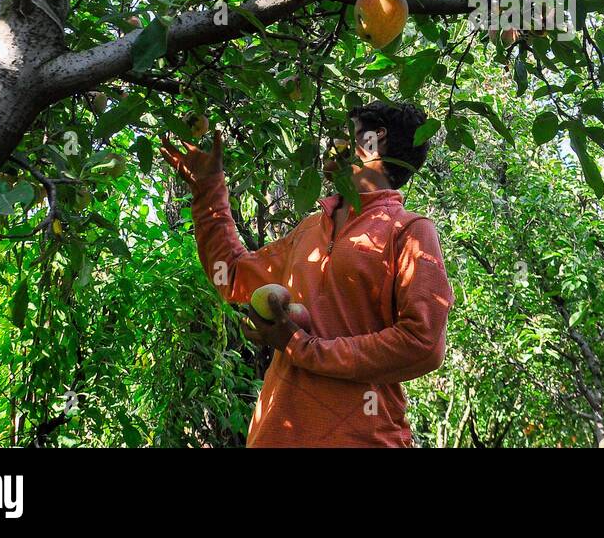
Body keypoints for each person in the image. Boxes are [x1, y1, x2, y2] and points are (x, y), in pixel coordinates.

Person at [162, 101, 452, 447]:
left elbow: (423, 344)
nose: (330, 140)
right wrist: (208, 190)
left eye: (346, 130)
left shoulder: (409, 231)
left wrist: (303, 347)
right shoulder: (310, 229)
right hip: (274, 435)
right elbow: (234, 276)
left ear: (376, 140)